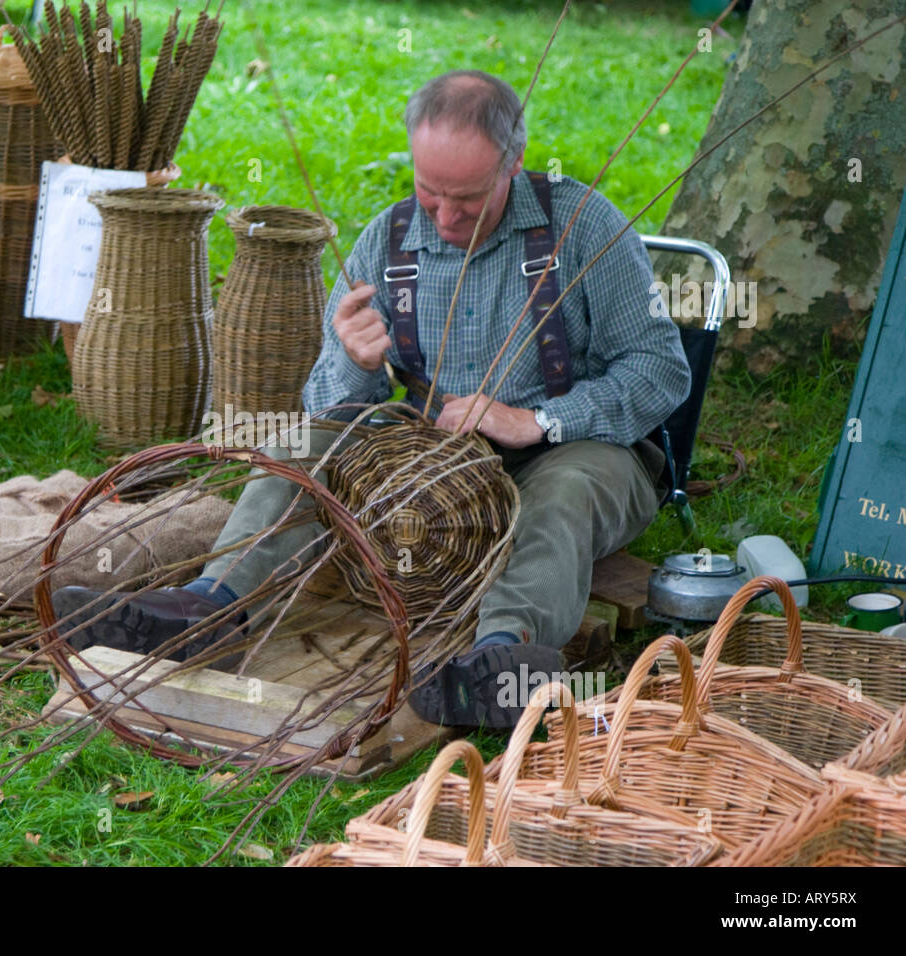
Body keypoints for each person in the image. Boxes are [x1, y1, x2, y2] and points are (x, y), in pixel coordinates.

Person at [53, 70, 692, 729]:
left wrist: (537, 420)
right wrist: (356, 364)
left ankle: (503, 662)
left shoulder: (587, 231)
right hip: (430, 475)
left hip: (571, 454)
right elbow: (333, 409)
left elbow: (661, 370)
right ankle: (209, 606)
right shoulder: (386, 244)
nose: (444, 218)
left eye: (468, 199)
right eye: (429, 192)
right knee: (295, 445)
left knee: (566, 493)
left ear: (516, 164)